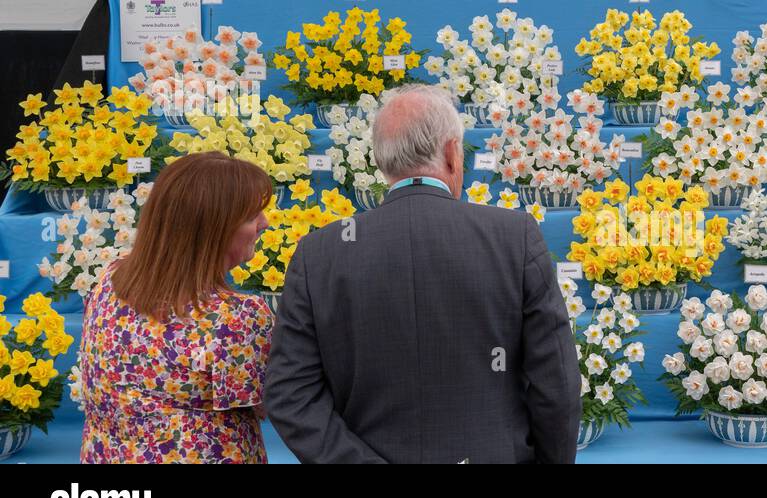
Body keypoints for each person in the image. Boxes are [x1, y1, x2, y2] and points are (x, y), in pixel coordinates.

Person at [266, 84, 580, 464]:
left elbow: (291, 394)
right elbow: (556, 384)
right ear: (452, 153)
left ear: (379, 159)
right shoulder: (515, 237)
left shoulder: (318, 253)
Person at [80, 151, 274, 464]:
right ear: (213, 230)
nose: (265, 223)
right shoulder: (237, 317)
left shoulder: (108, 280)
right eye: (252, 217)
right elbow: (274, 404)